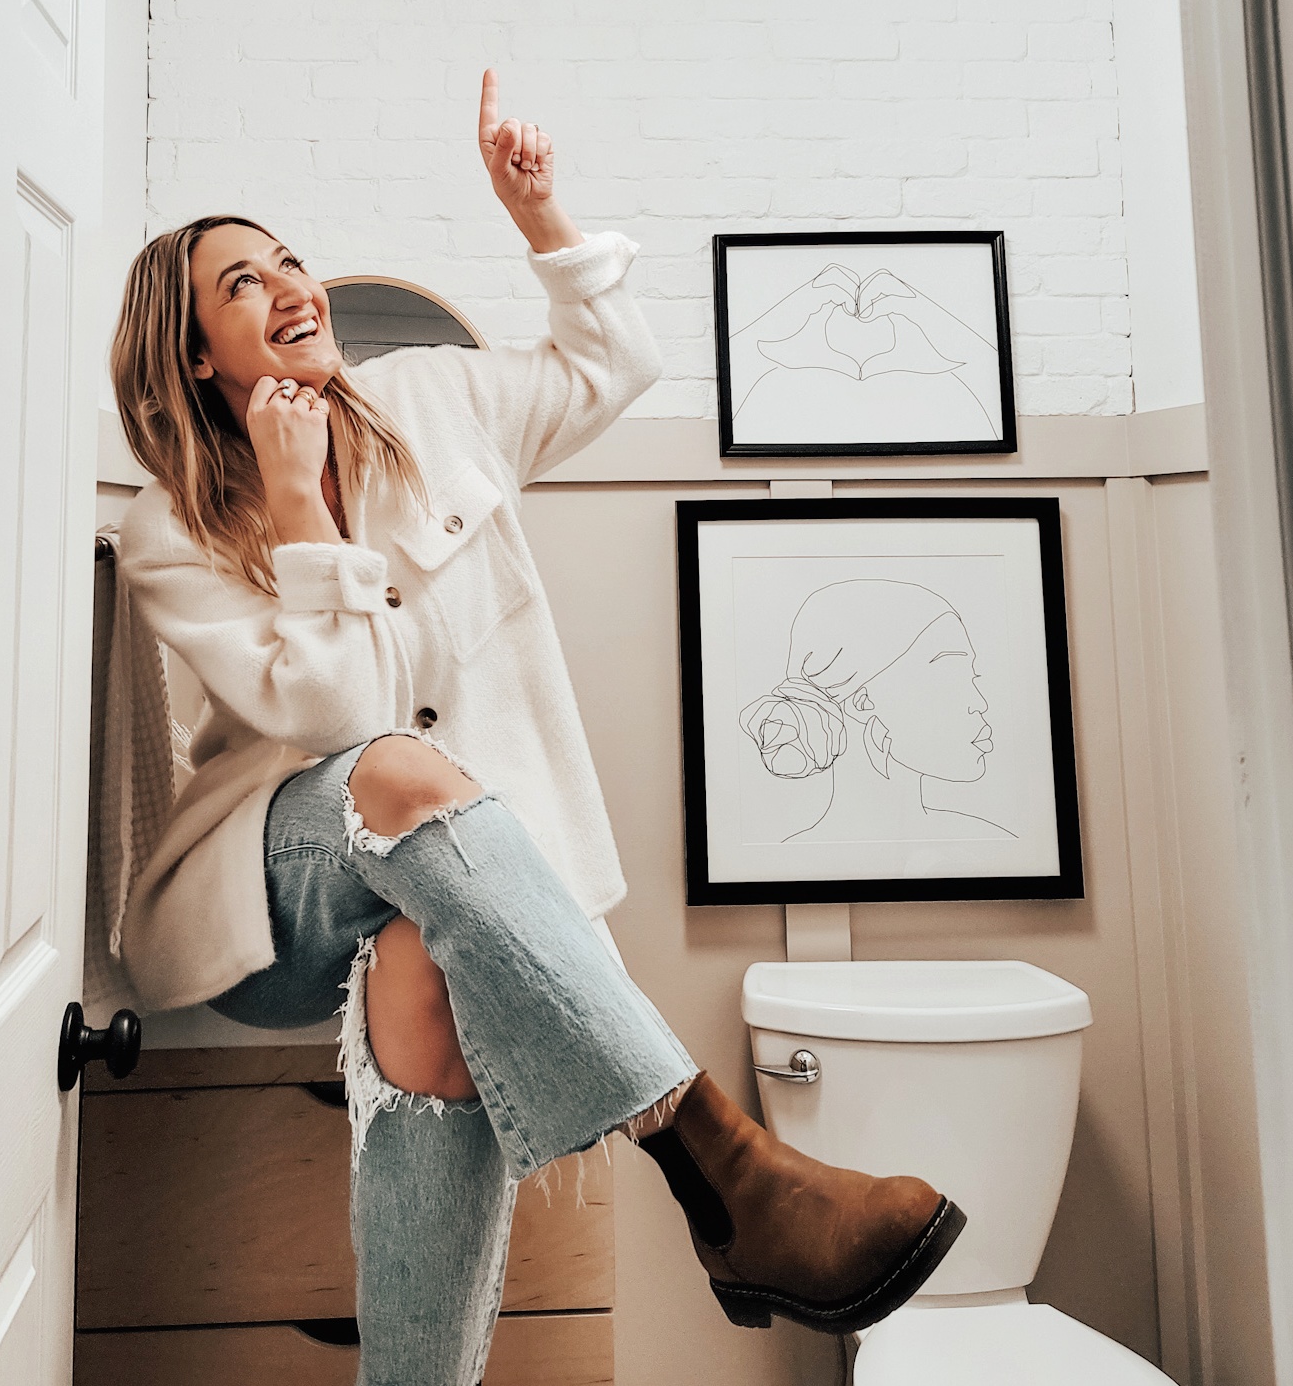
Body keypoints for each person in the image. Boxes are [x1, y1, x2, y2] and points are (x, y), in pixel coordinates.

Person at [108, 72, 965, 1385]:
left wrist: (540, 216)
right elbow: (342, 720)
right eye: (243, 282)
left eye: (290, 260)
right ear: (194, 355)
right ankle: (722, 1164)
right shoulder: (170, 525)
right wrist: (296, 508)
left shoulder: (436, 401)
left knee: (425, 969)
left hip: (436, 869)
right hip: (274, 900)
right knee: (395, 769)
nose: (290, 285)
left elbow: (613, 365)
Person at [741, 579, 1012, 842]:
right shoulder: (791, 861)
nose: (980, 703)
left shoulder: (991, 845)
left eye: (972, 677)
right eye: (950, 675)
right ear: (862, 701)